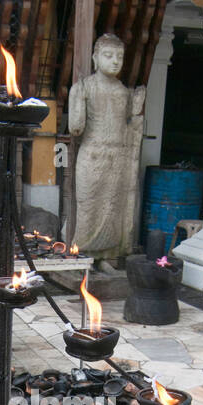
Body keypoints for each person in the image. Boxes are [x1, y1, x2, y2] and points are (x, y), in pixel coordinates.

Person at [68, 33, 145, 259]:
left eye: (119, 57)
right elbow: (75, 127)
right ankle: (82, 255)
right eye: (108, 55)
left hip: (116, 158)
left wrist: (137, 107)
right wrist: (78, 99)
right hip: (92, 156)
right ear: (95, 58)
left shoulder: (123, 92)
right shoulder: (84, 87)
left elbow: (129, 127)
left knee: (112, 208)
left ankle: (107, 256)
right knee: (88, 207)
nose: (114, 61)